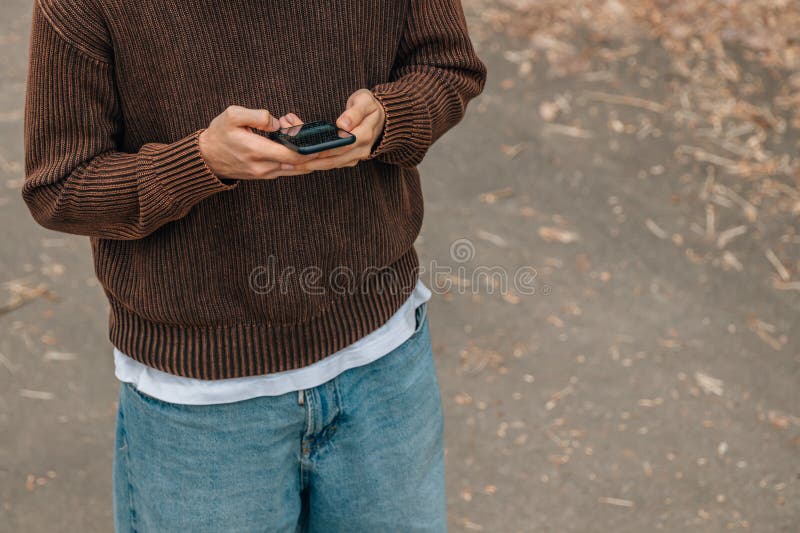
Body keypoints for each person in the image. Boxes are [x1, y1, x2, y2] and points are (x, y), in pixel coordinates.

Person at [23, 0, 486, 530]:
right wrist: (199, 161)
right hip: (201, 403)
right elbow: (60, 187)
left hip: (385, 361)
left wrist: (391, 116)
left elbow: (449, 65)